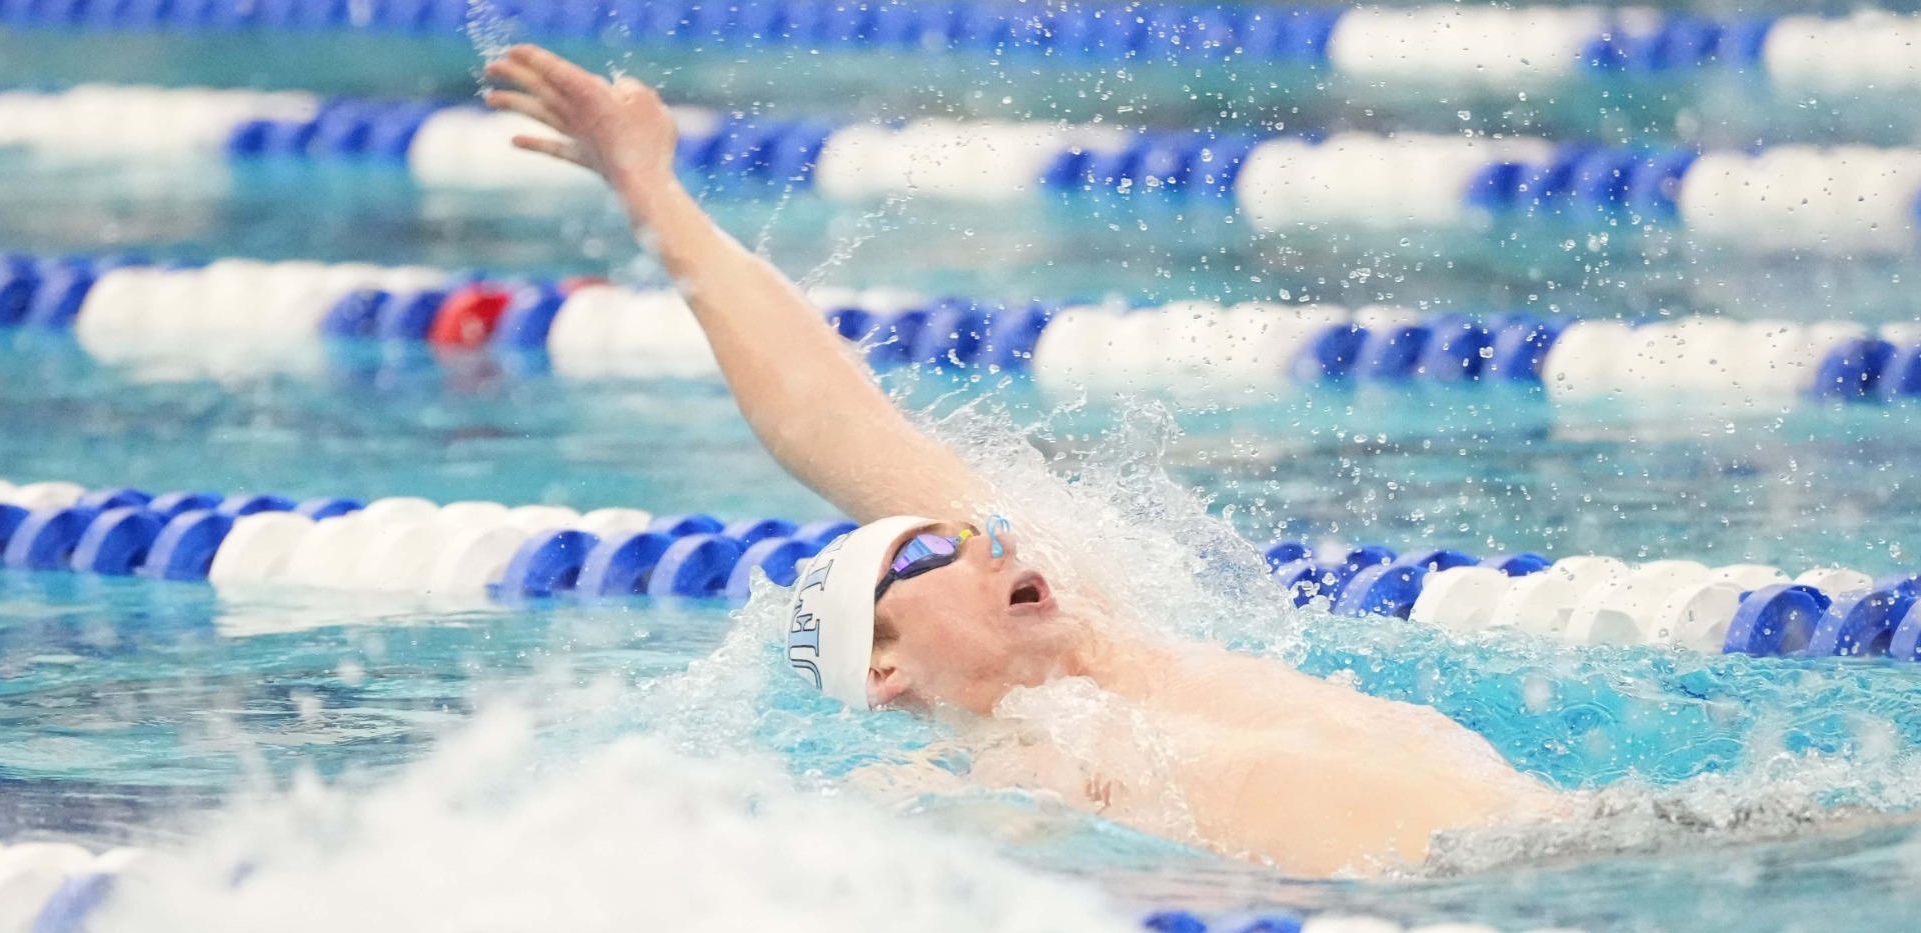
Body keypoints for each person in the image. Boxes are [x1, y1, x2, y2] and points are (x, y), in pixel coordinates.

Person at [483, 45, 1563, 877]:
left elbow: (828, 417)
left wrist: (651, 190)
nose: (981, 529)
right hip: (1466, 911)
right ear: (881, 667)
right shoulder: (1002, 779)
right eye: (930, 548)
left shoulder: (1112, 631)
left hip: (1579, 832)